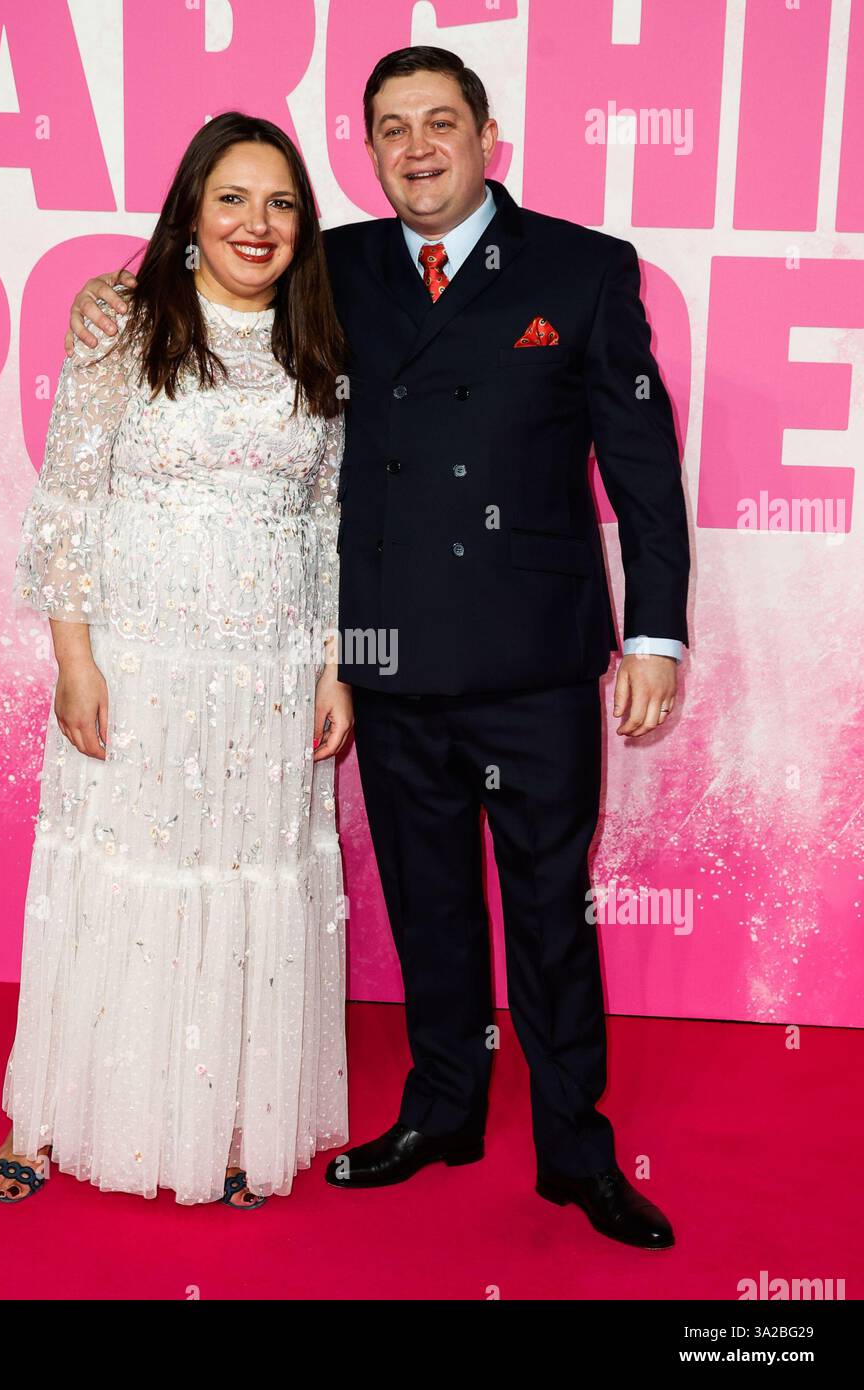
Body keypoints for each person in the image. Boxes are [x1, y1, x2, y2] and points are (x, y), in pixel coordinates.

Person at [66, 47, 691, 1249]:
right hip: (387, 656)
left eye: (439, 123)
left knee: (548, 913)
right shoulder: (335, 262)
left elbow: (641, 470)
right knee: (429, 907)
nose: (415, 148)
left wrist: (653, 632)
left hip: (536, 663)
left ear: (486, 135)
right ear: (368, 151)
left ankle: (574, 1148)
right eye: (390, 129)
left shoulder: (583, 266)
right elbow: (212, 277)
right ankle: (443, 1109)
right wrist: (119, 285)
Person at [0, 112, 352, 1210]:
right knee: (121, 870)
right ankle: (54, 1111)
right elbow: (67, 502)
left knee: (250, 878)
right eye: (233, 198)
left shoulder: (321, 347)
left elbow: (327, 520)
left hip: (270, 671)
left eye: (281, 202)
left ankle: (238, 1118)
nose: (258, 222)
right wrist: (74, 659)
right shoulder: (123, 323)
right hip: (143, 661)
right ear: (190, 213)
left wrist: (334, 666)